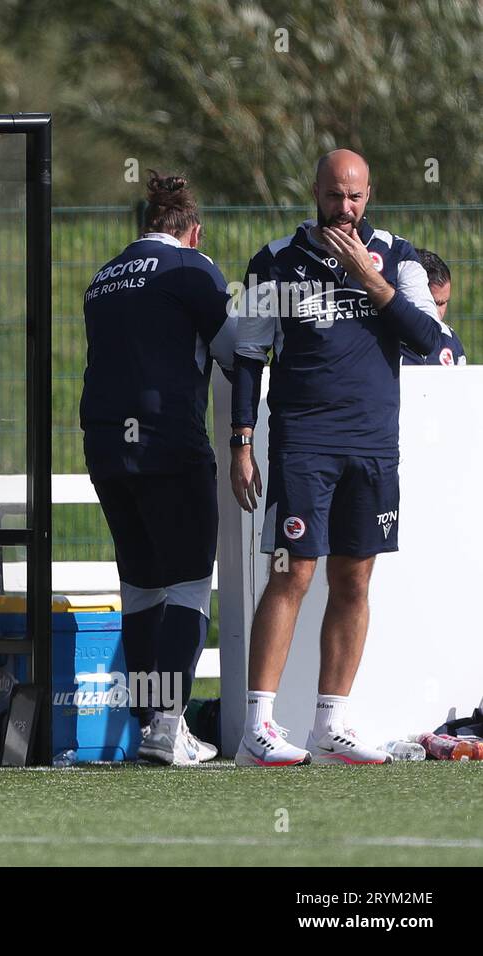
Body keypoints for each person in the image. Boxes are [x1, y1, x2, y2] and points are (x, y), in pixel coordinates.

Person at [230, 149, 442, 766]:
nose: (343, 209)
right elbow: (248, 358)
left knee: (354, 580)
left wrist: (369, 280)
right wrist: (243, 443)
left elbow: (428, 337)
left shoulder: (400, 258)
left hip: (374, 446)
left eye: (353, 197)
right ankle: (258, 726)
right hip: (304, 442)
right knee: (291, 574)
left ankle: (331, 721)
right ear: (315, 192)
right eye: (332, 196)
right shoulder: (274, 261)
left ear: (368, 195)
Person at [79, 171, 237, 765]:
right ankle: (171, 724)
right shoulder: (192, 269)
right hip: (171, 442)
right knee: (191, 583)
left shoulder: (103, 277)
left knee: (142, 587)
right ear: (192, 231)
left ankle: (151, 724)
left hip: (105, 448)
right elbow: (235, 348)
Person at [399, 249, 465, 365]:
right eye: (434, 303)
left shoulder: (451, 342)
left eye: (443, 303)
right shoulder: (381, 344)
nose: (439, 313)